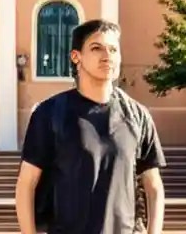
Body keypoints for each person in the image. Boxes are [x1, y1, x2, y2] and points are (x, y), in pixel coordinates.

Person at [14, 18, 165, 234]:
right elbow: (26, 183)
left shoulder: (137, 115)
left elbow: (153, 186)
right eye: (97, 48)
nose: (107, 56)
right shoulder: (50, 113)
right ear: (76, 57)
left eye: (113, 49)